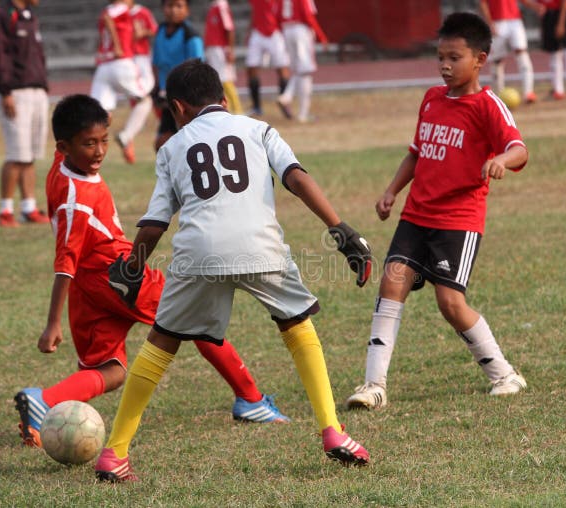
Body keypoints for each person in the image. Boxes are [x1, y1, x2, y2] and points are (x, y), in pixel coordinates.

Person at [94, 60, 373, 482]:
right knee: (296, 323)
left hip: (198, 253)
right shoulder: (259, 129)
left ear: (177, 108)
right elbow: (296, 178)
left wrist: (133, 268)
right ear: (224, 99)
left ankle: (115, 452)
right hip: (261, 247)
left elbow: (155, 223)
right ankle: (332, 430)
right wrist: (342, 231)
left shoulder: (172, 148)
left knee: (162, 342)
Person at [13, 94, 289, 448]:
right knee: (198, 317)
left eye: (103, 140)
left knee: (110, 370)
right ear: (64, 147)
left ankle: (45, 400)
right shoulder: (76, 201)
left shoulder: (61, 167)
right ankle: (250, 399)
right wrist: (53, 323)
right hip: (119, 275)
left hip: (91, 285)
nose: (99, 151)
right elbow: (64, 262)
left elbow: (75, 129)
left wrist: (97, 115)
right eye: (89, 144)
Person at [345, 12, 528, 411]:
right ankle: (374, 386)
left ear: (480, 60)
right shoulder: (431, 98)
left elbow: (519, 148)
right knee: (391, 284)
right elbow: (417, 153)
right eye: (440, 57)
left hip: (458, 221)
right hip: (416, 215)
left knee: (450, 304)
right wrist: (392, 191)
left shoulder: (487, 106)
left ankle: (504, 374)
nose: (445, 65)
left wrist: (501, 159)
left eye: (454, 58)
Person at [0, 0, 51, 227]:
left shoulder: (30, 16)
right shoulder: (1, 16)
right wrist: (5, 91)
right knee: (16, 154)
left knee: (30, 155)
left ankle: (29, 208)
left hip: (36, 89)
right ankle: (5, 211)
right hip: (15, 93)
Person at [90, 0, 153, 165]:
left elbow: (106, 24)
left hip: (104, 66)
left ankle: (86, 151)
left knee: (100, 116)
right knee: (145, 101)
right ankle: (126, 136)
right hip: (121, 63)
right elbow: (108, 18)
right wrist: (118, 45)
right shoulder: (120, 8)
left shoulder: (109, 10)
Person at [151, 0, 204, 151]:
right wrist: (156, 87)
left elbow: (197, 70)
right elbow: (156, 62)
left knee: (190, 143)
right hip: (167, 97)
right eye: (170, 5)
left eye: (179, 6)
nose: (174, 10)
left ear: (187, 10)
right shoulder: (160, 31)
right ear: (163, 8)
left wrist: (188, 98)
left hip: (186, 98)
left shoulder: (191, 36)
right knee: (162, 145)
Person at [276, 0, 328, 123]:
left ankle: (287, 96)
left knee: (299, 71)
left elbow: (277, 13)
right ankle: (302, 113)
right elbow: (307, 15)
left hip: (287, 29)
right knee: (305, 71)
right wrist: (321, 35)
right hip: (300, 30)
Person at [478, 0, 537, 104]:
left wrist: (536, 6)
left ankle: (528, 93)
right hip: (497, 21)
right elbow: (483, 3)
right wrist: (489, 23)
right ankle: (498, 94)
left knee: (521, 52)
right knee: (497, 59)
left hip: (515, 20)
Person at [525, 0, 566, 99]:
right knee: (554, 53)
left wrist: (561, 23)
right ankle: (558, 90)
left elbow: (565, 2)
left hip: (562, 12)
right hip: (548, 15)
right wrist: (537, 8)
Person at [245, 0, 290, 117]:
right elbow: (255, 11)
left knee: (282, 68)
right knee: (251, 68)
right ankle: (256, 107)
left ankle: (284, 102)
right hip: (258, 31)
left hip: (274, 31)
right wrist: (250, 29)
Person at [204, 0, 243, 114]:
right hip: (213, 48)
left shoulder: (221, 6)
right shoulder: (214, 6)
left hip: (219, 49)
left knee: (225, 79)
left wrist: (230, 50)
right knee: (220, 81)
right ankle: (228, 109)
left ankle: (237, 110)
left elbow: (229, 28)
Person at [130, 3, 159, 98]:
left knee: (147, 80)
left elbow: (154, 29)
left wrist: (143, 32)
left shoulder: (143, 12)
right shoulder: (118, 13)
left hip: (141, 53)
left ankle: (141, 97)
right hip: (126, 55)